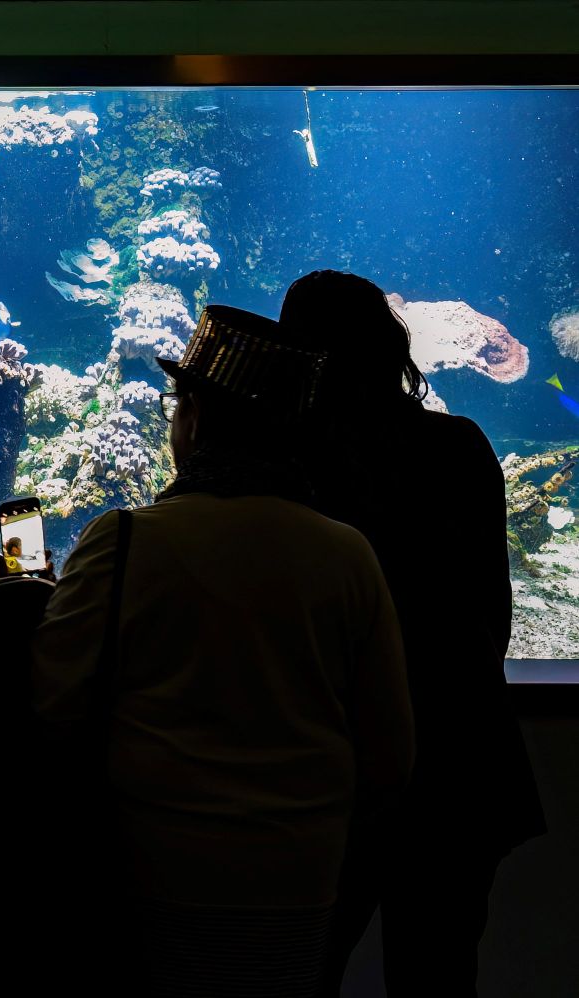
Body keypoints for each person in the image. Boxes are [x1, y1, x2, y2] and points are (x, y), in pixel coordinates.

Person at [30, 305, 415, 996]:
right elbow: (391, 750)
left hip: (148, 866)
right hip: (301, 877)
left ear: (197, 418)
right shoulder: (347, 553)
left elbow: (54, 712)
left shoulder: (124, 541)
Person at [280, 270, 545, 996]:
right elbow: (491, 617)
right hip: (459, 759)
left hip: (332, 770)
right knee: (439, 974)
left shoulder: (292, 467)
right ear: (393, 345)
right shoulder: (459, 447)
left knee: (300, 971)